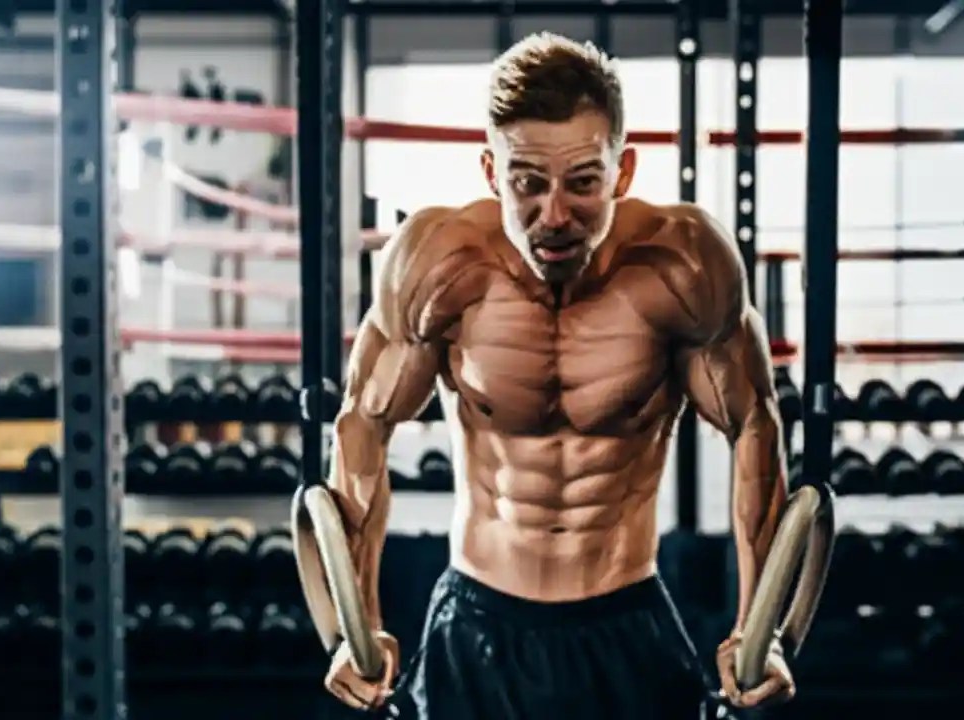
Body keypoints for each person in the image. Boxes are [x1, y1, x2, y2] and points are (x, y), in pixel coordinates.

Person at [321, 32, 795, 720]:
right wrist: (354, 627)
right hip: (477, 624)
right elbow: (363, 421)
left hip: (624, 619)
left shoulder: (683, 265)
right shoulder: (438, 264)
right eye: (527, 184)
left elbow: (754, 424)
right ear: (491, 172)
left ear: (621, 172)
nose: (555, 216)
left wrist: (762, 630)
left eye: (583, 184)